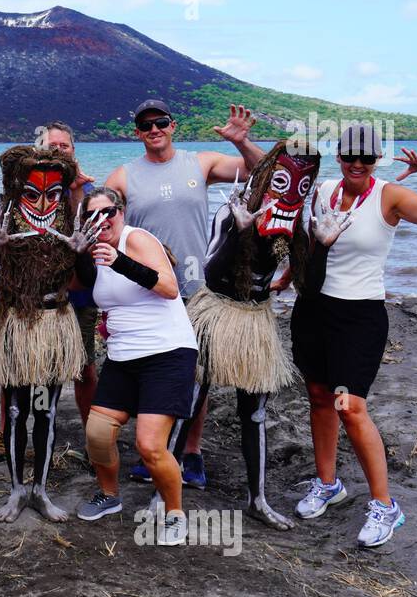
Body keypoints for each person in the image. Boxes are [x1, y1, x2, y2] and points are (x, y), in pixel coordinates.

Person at [291, 124, 417, 546]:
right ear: (339, 157)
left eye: (366, 158)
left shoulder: (389, 196)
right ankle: (328, 484)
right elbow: (309, 247)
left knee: (350, 407)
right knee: (318, 396)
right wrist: (282, 279)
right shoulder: (324, 189)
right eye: (350, 156)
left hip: (359, 314)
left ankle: (385, 506)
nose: (357, 165)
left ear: (378, 160)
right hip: (313, 307)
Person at [105, 100, 264, 488]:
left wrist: (243, 143)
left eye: (160, 122)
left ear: (173, 125)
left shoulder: (202, 162)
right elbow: (99, 220)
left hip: (198, 290)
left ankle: (190, 452)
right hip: (148, 291)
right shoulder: (124, 177)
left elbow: (263, 174)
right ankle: (156, 450)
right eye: (145, 125)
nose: (154, 129)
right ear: (137, 132)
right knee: (155, 370)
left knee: (196, 373)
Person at [174, 141, 322, 529]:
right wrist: (241, 232)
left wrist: (320, 244)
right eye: (283, 181)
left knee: (254, 412)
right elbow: (210, 272)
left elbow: (307, 283)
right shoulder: (233, 209)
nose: (291, 193)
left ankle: (258, 499)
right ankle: (166, 491)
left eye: (302, 186)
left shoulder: (293, 228)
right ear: (267, 176)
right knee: (188, 400)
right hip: (216, 311)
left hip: (255, 320)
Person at [0, 144, 98, 523]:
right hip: (17, 327)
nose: (42, 203)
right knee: (17, 409)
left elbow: (90, 282)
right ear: (17, 190)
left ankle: (39, 489)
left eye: (52, 194)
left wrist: (81, 253)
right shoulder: (4, 220)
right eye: (31, 194)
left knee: (46, 410)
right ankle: (15, 489)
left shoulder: (71, 222)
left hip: (54, 325)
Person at [74, 188, 196, 546]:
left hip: (167, 354)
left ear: (122, 212)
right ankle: (110, 496)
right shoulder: (93, 254)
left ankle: (175, 513)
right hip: (123, 357)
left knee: (150, 446)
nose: (103, 220)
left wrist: (119, 261)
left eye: (108, 212)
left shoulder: (136, 239)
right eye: (93, 215)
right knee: (97, 434)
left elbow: (170, 288)